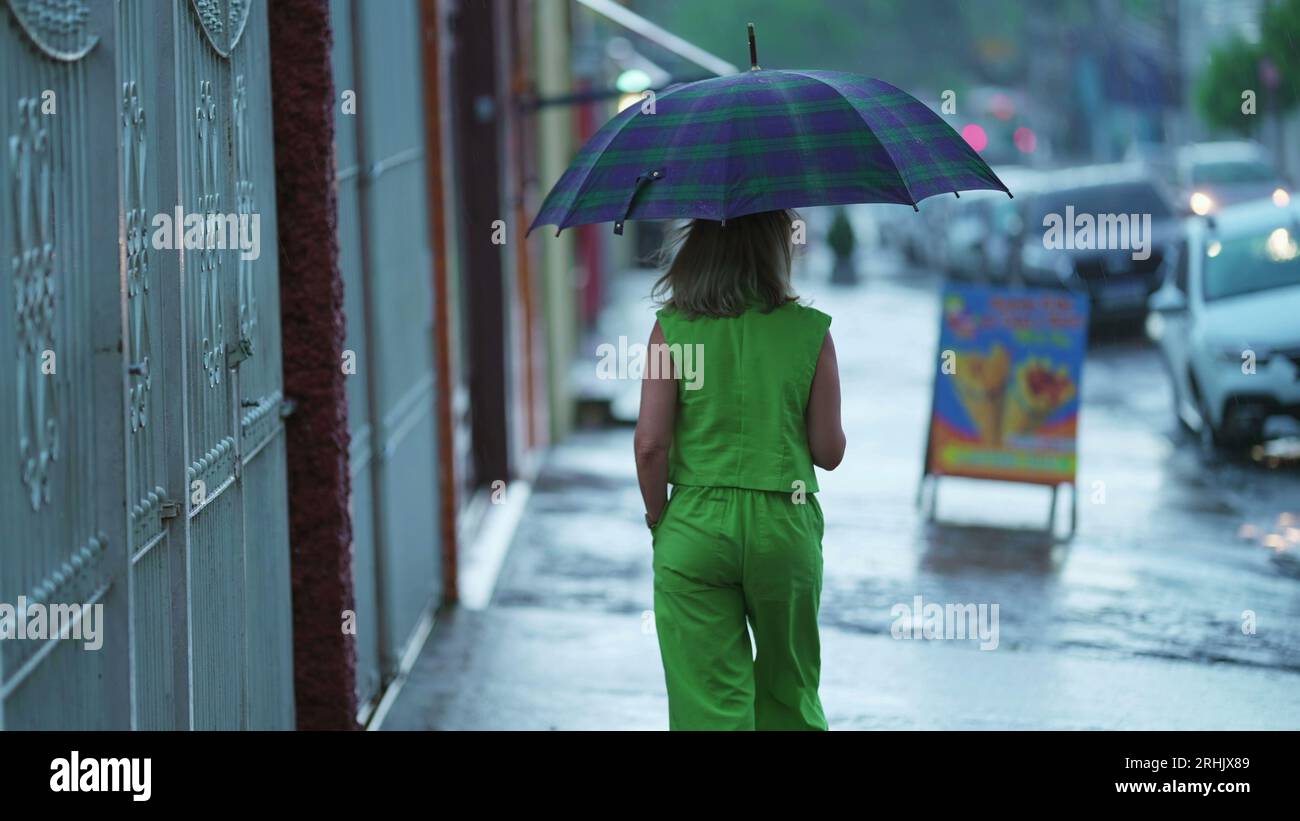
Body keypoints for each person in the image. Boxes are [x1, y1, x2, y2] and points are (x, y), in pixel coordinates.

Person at [633, 209, 846, 731]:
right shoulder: (811, 332)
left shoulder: (671, 330)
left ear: (699, 248)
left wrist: (661, 519)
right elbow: (829, 451)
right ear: (777, 246)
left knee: (710, 705)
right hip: (783, 523)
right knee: (789, 693)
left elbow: (649, 446)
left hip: (696, 528)